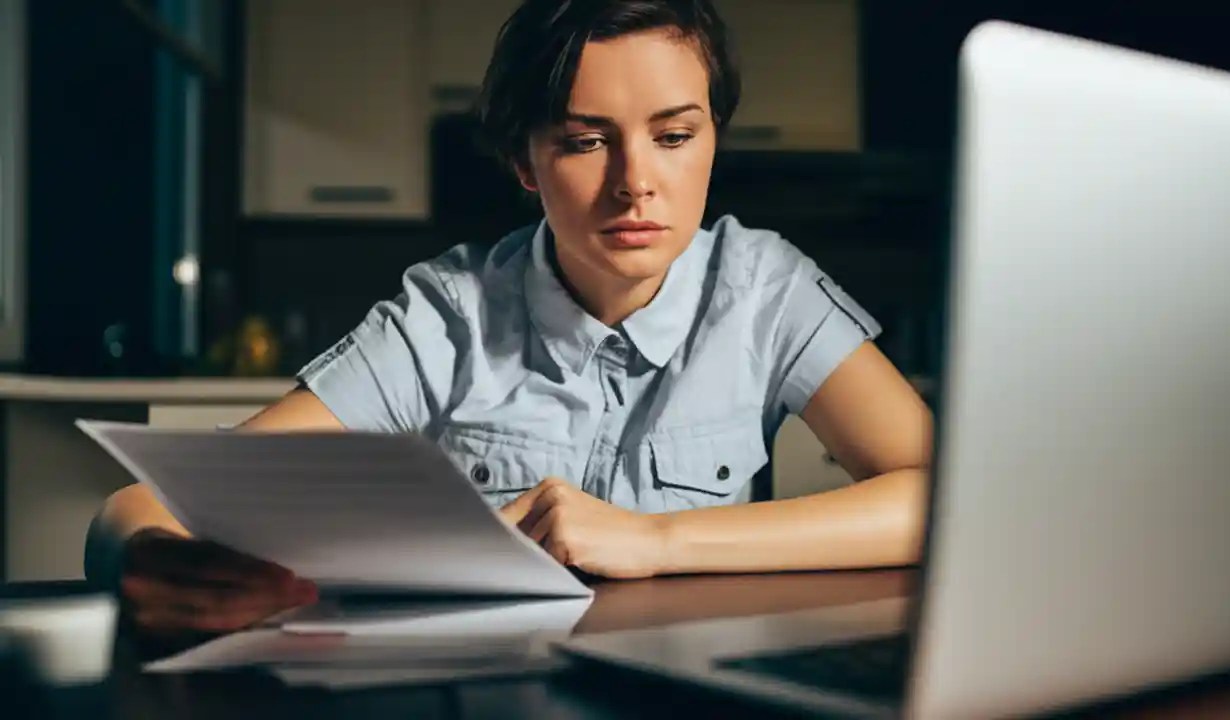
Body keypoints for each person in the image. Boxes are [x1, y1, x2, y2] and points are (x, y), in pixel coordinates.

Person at [87, 0, 933, 635]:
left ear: (713, 136)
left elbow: (940, 494)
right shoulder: (447, 315)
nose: (636, 183)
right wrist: (148, 558)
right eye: (585, 141)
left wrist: (659, 540)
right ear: (525, 162)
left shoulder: (766, 288)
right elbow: (145, 506)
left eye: (674, 137)